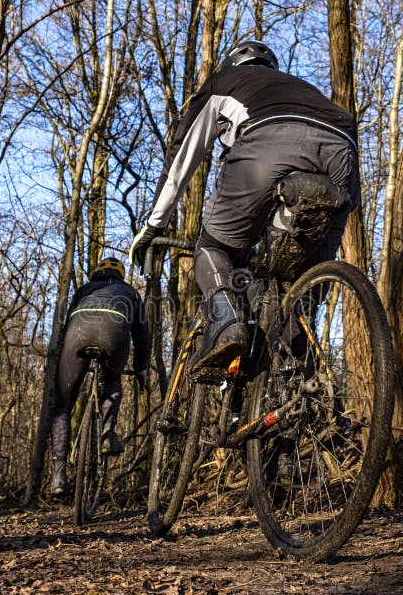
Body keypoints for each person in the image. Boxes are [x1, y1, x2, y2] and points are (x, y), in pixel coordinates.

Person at [130, 39, 359, 373]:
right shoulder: (304, 89)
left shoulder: (224, 81)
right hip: (343, 150)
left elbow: (181, 156)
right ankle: (300, 383)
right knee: (302, 284)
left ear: (232, 65)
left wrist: (155, 224)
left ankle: (226, 322)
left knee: (212, 246)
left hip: (268, 142)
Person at [49, 257, 150, 496]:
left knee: (62, 406)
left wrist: (58, 361)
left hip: (77, 332)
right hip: (113, 333)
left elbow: (65, 326)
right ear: (121, 275)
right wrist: (140, 368)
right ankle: (107, 433)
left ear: (97, 272)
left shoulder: (84, 289)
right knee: (112, 382)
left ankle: (58, 475)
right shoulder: (130, 292)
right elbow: (142, 335)